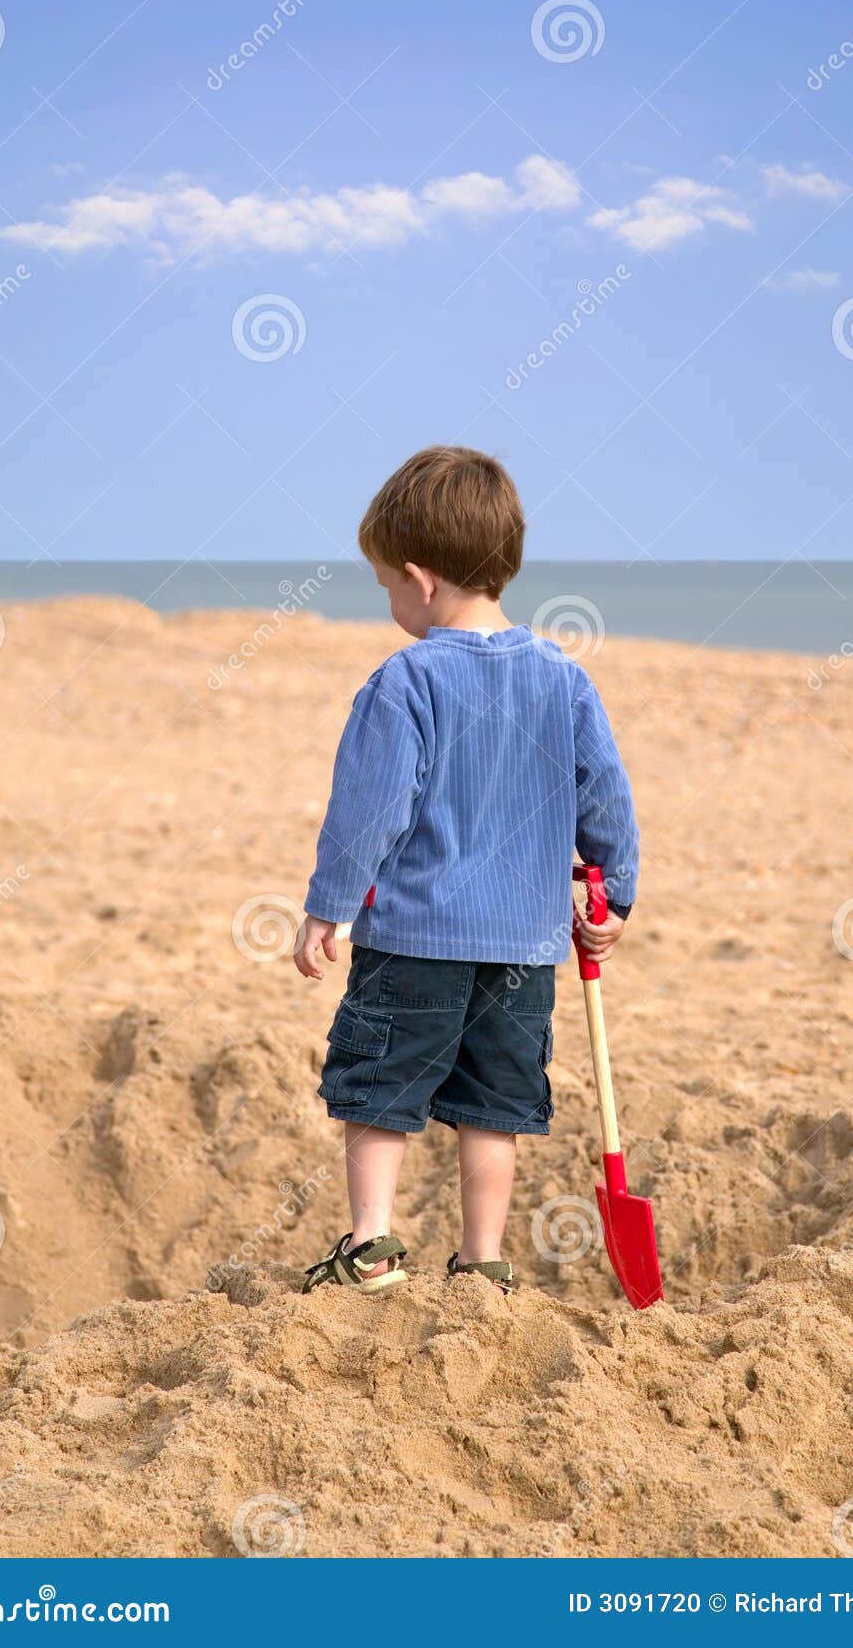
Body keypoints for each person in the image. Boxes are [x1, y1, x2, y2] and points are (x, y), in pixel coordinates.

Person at [295, 446, 639, 1294]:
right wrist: (614, 891)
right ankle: (482, 1259)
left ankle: (371, 1244)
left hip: (415, 934)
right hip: (523, 947)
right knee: (494, 1103)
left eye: (383, 586)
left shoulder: (405, 679)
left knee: (380, 1088)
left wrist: (326, 906)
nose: (388, 603)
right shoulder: (564, 680)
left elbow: (370, 807)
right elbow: (606, 797)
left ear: (419, 579)